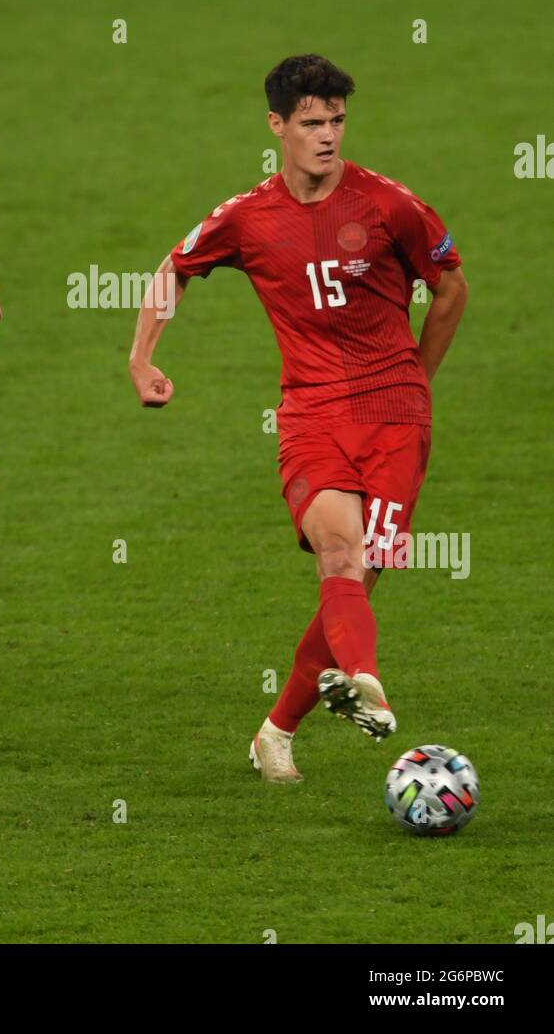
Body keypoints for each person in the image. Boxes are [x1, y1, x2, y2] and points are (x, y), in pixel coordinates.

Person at [128, 54, 467, 782]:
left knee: (361, 577)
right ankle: (366, 683)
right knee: (338, 559)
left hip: (395, 418)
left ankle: (276, 731)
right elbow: (174, 269)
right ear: (277, 126)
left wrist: (417, 380)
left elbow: (450, 288)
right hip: (310, 415)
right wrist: (141, 357)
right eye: (312, 123)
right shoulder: (248, 218)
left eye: (337, 121)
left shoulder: (390, 206)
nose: (327, 136)